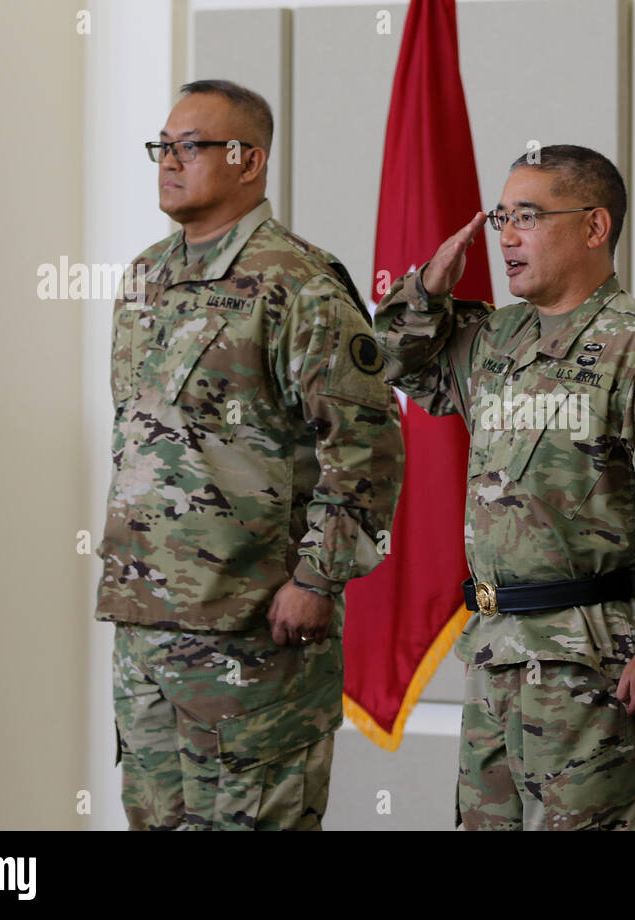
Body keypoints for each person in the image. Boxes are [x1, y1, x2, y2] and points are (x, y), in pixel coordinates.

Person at [373, 145, 635, 831]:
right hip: (494, 650)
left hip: (592, 661)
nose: (507, 236)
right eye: (501, 218)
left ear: (594, 226)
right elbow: (390, 360)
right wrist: (426, 289)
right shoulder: (494, 339)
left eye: (528, 216)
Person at [96, 79, 404, 830]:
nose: (169, 161)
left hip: (255, 628)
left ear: (249, 160)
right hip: (146, 626)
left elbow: (364, 447)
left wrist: (317, 578)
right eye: (162, 147)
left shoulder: (299, 284)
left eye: (190, 146)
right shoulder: (144, 278)